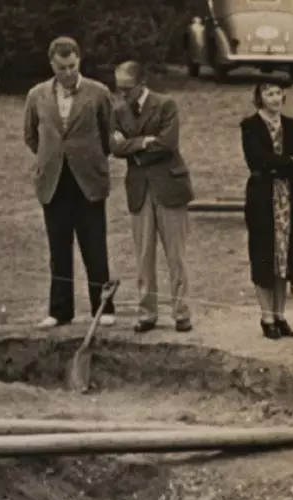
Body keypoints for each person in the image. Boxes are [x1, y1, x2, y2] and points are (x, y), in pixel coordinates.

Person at [24, 36, 117, 330]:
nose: (68, 73)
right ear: (52, 64)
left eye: (73, 66)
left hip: (88, 179)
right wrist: (52, 158)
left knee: (94, 245)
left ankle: (102, 307)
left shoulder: (98, 93)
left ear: (80, 61)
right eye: (62, 67)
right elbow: (31, 135)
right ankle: (60, 310)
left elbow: (108, 134)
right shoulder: (37, 95)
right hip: (54, 181)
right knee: (58, 248)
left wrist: (88, 158)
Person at [111, 61, 194, 333]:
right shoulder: (119, 111)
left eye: (127, 88)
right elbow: (114, 147)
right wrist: (144, 142)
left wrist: (133, 146)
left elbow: (168, 144)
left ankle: (181, 313)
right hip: (139, 188)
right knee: (143, 255)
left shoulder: (166, 104)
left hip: (169, 186)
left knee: (176, 255)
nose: (122, 94)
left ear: (141, 83)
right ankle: (147, 313)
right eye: (118, 88)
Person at [239, 81, 293, 339]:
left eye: (277, 93)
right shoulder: (250, 126)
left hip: (287, 197)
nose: (274, 98)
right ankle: (266, 316)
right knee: (263, 253)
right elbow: (255, 160)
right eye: (268, 93)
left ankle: (281, 315)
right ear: (259, 98)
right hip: (262, 196)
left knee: (285, 255)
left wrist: (277, 165)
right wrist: (285, 162)